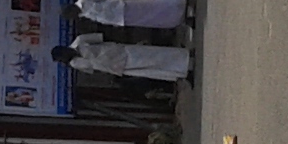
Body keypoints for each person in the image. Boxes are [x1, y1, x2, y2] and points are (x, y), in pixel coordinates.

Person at [52, 34, 192, 82]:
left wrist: (121, 44)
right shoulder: (75, 64)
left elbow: (101, 37)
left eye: (62, 57)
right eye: (61, 61)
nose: (64, 60)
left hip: (121, 53)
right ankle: (182, 74)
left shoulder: (80, 40)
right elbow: (94, 70)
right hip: (118, 67)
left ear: (65, 50)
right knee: (151, 71)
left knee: (155, 55)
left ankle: (186, 56)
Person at [71, 0, 188, 30]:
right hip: (121, 20)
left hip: (122, 6)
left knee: (152, 6)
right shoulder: (83, 14)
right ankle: (180, 20)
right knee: (153, 19)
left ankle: (179, 4)